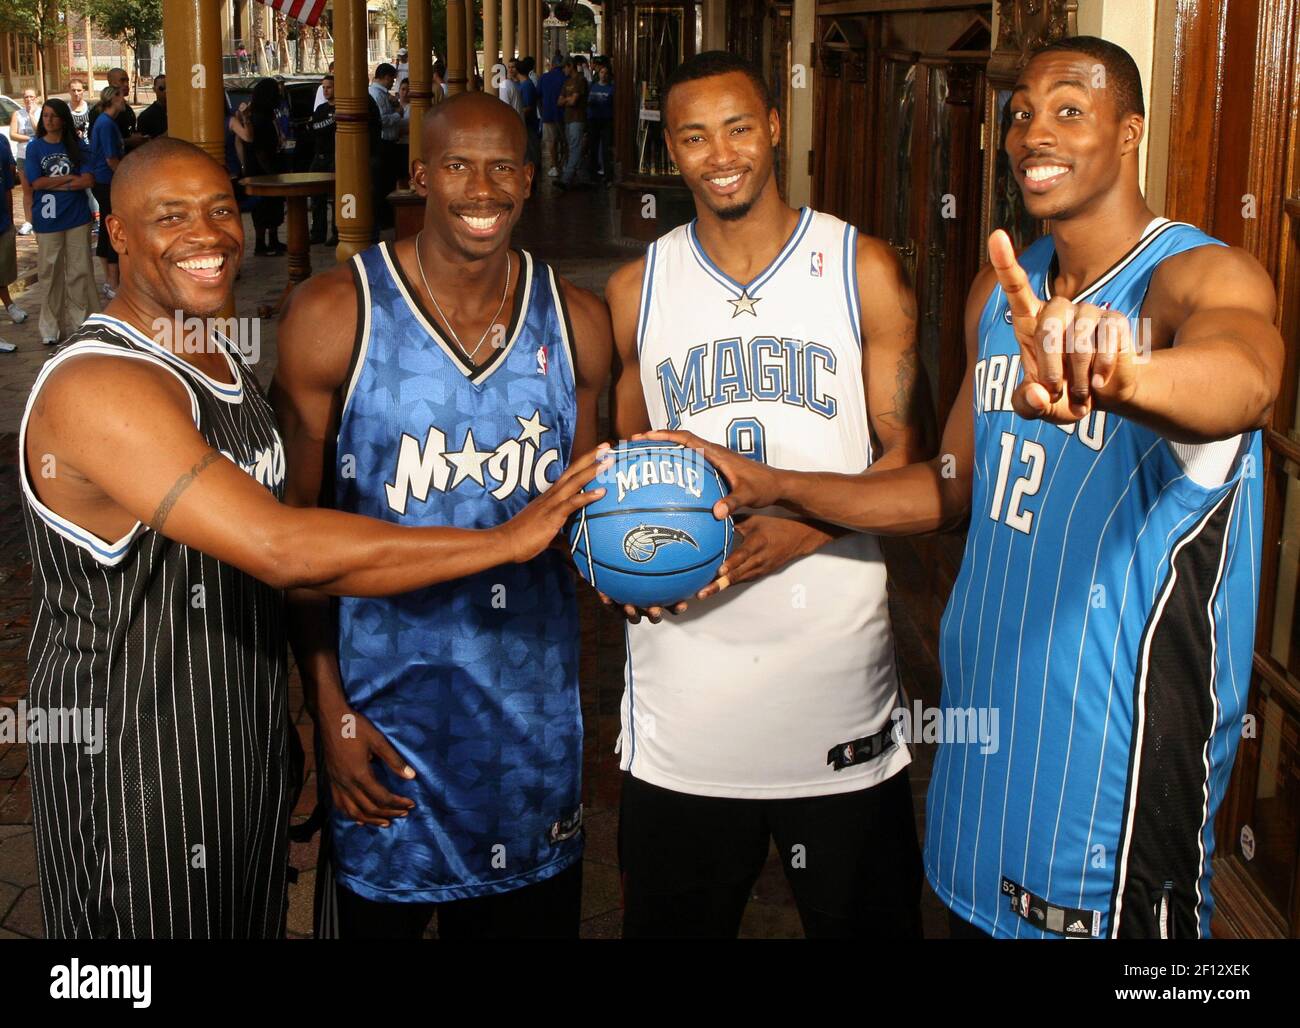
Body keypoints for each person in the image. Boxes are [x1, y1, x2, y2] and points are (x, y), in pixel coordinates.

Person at [647, 38, 1284, 941]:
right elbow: (949, 493)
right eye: (1021, 112)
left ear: (1131, 130)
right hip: (979, 749)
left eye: (1069, 109)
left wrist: (1123, 375)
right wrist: (775, 483)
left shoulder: (1195, 280)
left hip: (1110, 778)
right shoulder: (1001, 292)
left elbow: (1247, 376)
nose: (1033, 132)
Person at [18, 136, 607, 938]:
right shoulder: (99, 384)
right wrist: (507, 541)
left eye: (222, 210)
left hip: (238, 738)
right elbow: (282, 547)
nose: (210, 234)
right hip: (137, 762)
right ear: (117, 233)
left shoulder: (209, 357)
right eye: (171, 217)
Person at [604, 51, 929, 940]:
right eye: (694, 135)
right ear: (670, 149)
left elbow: (915, 475)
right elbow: (628, 476)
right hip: (684, 710)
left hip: (840, 703)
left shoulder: (859, 267)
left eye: (739, 127)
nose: (721, 153)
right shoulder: (638, 290)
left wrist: (802, 528)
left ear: (775, 127)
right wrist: (614, 559)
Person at [273, 92, 613, 940]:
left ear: (530, 180)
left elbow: (590, 522)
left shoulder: (578, 324)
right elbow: (292, 541)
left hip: (528, 733)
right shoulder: (333, 314)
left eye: (503, 166)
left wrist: (658, 558)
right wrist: (328, 712)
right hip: (385, 728)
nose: (481, 187)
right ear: (420, 175)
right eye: (457, 165)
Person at [25, 98, 98, 347]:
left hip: (77, 218)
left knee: (80, 272)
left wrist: (55, 182)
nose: (49, 120)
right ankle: (50, 327)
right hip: (47, 221)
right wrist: (69, 180)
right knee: (50, 274)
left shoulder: (78, 146)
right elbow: (36, 183)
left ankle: (83, 324)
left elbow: (87, 180)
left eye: (54, 115)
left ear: (63, 118)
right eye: (45, 115)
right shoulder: (35, 148)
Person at [240, 77, 286, 255]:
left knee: (274, 206)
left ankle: (273, 240)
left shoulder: (268, 115)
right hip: (262, 171)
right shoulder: (258, 119)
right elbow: (259, 149)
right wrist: (270, 172)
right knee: (263, 208)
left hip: (269, 166)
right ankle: (261, 244)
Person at [89, 84, 126, 300]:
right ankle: (113, 281)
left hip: (103, 182)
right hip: (107, 182)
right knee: (114, 228)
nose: (124, 99)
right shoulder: (106, 124)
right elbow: (111, 159)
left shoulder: (106, 122)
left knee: (106, 227)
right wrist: (126, 179)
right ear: (114, 99)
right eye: (121, 96)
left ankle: (109, 280)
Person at [0, 133, 28, 349]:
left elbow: (9, 185)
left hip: (2, 222)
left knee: (4, 270)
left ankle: (9, 304)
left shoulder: (1, 141)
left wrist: (10, 221)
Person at [369, 63, 402, 228]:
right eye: (392, 79)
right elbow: (382, 120)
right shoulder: (377, 95)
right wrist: (398, 114)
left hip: (388, 143)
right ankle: (383, 219)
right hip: (383, 143)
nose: (393, 82)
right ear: (387, 77)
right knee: (383, 185)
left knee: (387, 183)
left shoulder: (383, 94)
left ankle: (385, 218)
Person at [309, 74, 338, 246]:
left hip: (335, 158)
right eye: (324, 87)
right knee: (316, 197)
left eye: (329, 87)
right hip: (319, 157)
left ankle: (337, 232)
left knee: (336, 197)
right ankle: (318, 232)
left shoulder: (342, 108)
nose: (326, 90)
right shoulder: (320, 109)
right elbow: (313, 129)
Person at [10, 88, 40, 235]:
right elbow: (13, 134)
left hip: (38, 156)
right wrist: (29, 138)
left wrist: (31, 114)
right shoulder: (17, 114)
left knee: (39, 188)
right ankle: (29, 221)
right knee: (27, 190)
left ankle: (40, 219)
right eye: (26, 97)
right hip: (23, 155)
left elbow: (40, 131)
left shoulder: (41, 112)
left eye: (32, 97)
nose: (29, 99)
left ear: (37, 98)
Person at [555, 58, 587, 190]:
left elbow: (573, 101)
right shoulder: (567, 82)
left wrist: (567, 100)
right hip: (568, 119)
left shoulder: (580, 80)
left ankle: (566, 178)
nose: (563, 70)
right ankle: (582, 177)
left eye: (565, 67)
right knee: (573, 147)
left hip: (577, 119)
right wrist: (569, 99)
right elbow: (559, 102)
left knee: (575, 148)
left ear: (571, 66)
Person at [586, 60, 613, 183]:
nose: (603, 75)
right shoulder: (592, 86)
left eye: (606, 73)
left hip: (606, 120)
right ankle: (593, 174)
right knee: (593, 147)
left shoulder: (612, 89)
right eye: (602, 72)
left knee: (606, 149)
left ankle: (607, 175)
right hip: (593, 120)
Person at [539, 55, 565, 178]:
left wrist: (542, 110)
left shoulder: (544, 78)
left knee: (551, 142)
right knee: (564, 141)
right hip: (564, 116)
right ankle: (564, 164)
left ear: (552, 65)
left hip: (548, 115)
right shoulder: (566, 78)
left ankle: (554, 166)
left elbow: (538, 96)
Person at [67, 78, 92, 146]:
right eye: (73, 90)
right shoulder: (65, 110)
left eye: (79, 90)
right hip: (71, 147)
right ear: (69, 91)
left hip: (89, 147)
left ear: (83, 91)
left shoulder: (91, 109)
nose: (76, 93)